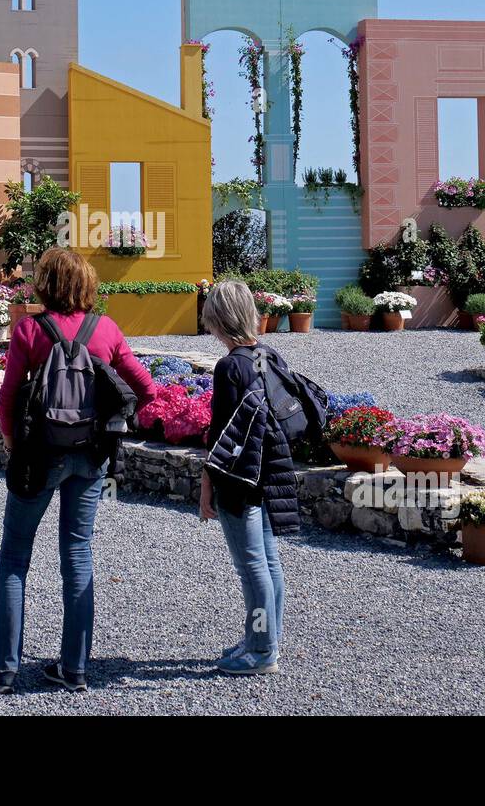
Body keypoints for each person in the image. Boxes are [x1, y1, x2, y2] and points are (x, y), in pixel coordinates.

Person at [0, 247, 156, 694]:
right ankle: (73, 668)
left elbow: (8, 397)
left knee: (15, 558)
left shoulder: (30, 331)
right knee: (77, 556)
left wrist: (11, 441)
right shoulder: (107, 329)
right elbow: (145, 387)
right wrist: (115, 422)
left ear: (46, 285)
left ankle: (4, 671)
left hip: (39, 455)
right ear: (87, 284)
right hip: (90, 457)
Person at [199, 279, 300, 676]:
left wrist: (207, 483)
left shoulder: (229, 367)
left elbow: (221, 434)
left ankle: (261, 651)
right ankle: (264, 639)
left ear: (217, 318)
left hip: (238, 478)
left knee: (251, 566)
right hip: (267, 471)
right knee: (268, 562)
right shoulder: (267, 355)